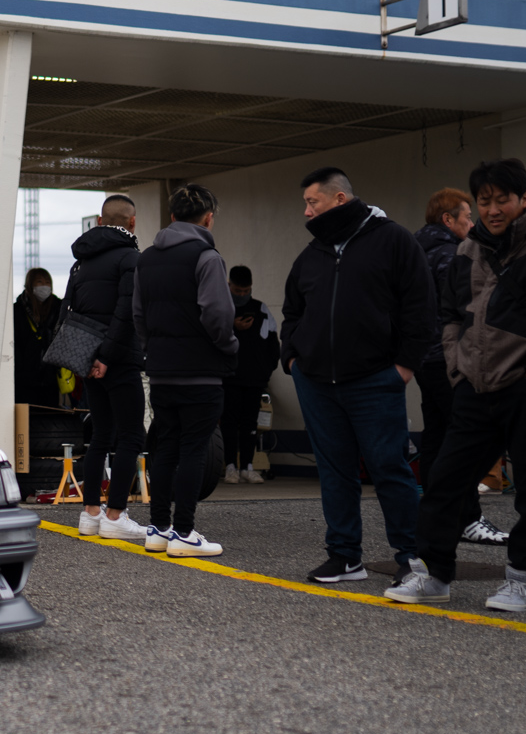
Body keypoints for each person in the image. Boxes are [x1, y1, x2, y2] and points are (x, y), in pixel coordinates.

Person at [387, 159, 526, 611]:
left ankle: (525, 579)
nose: (491, 209)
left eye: (501, 199)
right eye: (483, 201)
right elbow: (449, 313)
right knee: (445, 480)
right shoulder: (468, 251)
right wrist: (456, 368)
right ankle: (432, 573)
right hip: (473, 387)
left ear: (524, 199)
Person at [280, 167, 436, 584]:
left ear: (340, 200)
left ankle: (411, 557)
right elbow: (293, 310)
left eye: (313, 202)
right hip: (316, 382)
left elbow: (420, 306)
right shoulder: (313, 252)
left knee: (389, 467)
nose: (307, 211)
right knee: (335, 472)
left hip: (375, 380)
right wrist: (292, 359)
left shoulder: (393, 240)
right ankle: (345, 556)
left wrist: (404, 367)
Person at [132, 183, 237, 556]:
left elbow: (139, 316)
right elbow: (218, 314)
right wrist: (228, 345)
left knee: (167, 448)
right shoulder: (206, 257)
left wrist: (153, 349)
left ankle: (158, 529)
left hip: (161, 371)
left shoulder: (145, 260)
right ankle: (185, 533)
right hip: (200, 371)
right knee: (194, 448)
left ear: (172, 217)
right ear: (208, 218)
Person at [413, 189, 506, 548]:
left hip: (423, 359)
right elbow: (468, 310)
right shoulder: (452, 256)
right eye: (467, 217)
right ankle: (467, 517)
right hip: (451, 360)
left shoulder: (414, 252)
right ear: (447, 220)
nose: (473, 223)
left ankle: (437, 511)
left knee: (436, 437)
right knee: (464, 440)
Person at [67, 195, 148, 540]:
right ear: (131, 223)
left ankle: (90, 513)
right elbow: (127, 312)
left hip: (87, 361)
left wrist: (85, 358)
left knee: (100, 434)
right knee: (131, 435)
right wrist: (108, 357)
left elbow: (67, 313)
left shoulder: (80, 262)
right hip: (119, 359)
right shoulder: (131, 259)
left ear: (100, 221)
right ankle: (115, 515)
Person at [221, 265, 280, 484]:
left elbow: (274, 345)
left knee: (250, 424)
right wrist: (232, 326)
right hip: (228, 377)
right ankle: (229, 467)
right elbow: (211, 334)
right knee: (229, 422)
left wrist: (266, 371)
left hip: (255, 378)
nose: (243, 296)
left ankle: (248, 466)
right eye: (238, 291)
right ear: (229, 286)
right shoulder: (222, 309)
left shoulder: (261, 309)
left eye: (246, 291)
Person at [12, 267, 63, 409]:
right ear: (30, 285)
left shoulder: (58, 309)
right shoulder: (18, 311)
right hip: (24, 380)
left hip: (51, 378)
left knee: (49, 416)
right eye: (39, 282)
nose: (44, 286)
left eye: (47, 282)